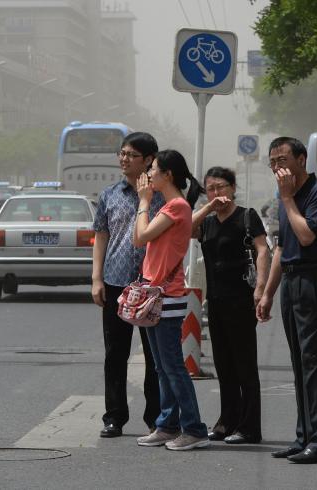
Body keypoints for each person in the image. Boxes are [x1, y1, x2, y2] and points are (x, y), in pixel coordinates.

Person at [256, 137, 317, 464]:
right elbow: (281, 247)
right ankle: (303, 436)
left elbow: (306, 235)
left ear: (302, 159)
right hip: (291, 281)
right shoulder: (284, 196)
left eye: (283, 159)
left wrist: (288, 199)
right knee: (300, 364)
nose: (278, 166)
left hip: (315, 280)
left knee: (316, 365)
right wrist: (267, 293)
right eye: (273, 161)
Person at [132, 149, 210, 451]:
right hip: (155, 293)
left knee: (173, 367)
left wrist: (143, 201)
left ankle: (194, 428)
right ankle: (167, 424)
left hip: (167, 296)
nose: (149, 174)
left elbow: (140, 238)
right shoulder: (172, 205)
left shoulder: (175, 206)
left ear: (168, 175)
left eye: (153, 169)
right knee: (162, 367)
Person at [191, 166, 270, 444]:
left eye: (221, 187)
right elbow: (186, 229)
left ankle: (249, 427)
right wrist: (208, 207)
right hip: (216, 301)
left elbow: (262, 250)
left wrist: (260, 288)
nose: (216, 193)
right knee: (224, 365)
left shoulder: (246, 216)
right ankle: (227, 422)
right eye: (211, 188)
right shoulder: (208, 222)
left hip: (241, 300)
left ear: (233, 188)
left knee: (244, 365)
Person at [92, 132, 163, 438]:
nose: (123, 159)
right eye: (121, 154)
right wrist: (96, 278)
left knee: (155, 356)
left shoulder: (162, 195)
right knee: (115, 354)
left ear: (148, 160)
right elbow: (101, 236)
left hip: (151, 285)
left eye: (130, 155)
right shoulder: (109, 195)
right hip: (115, 282)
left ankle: (156, 417)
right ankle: (114, 417)